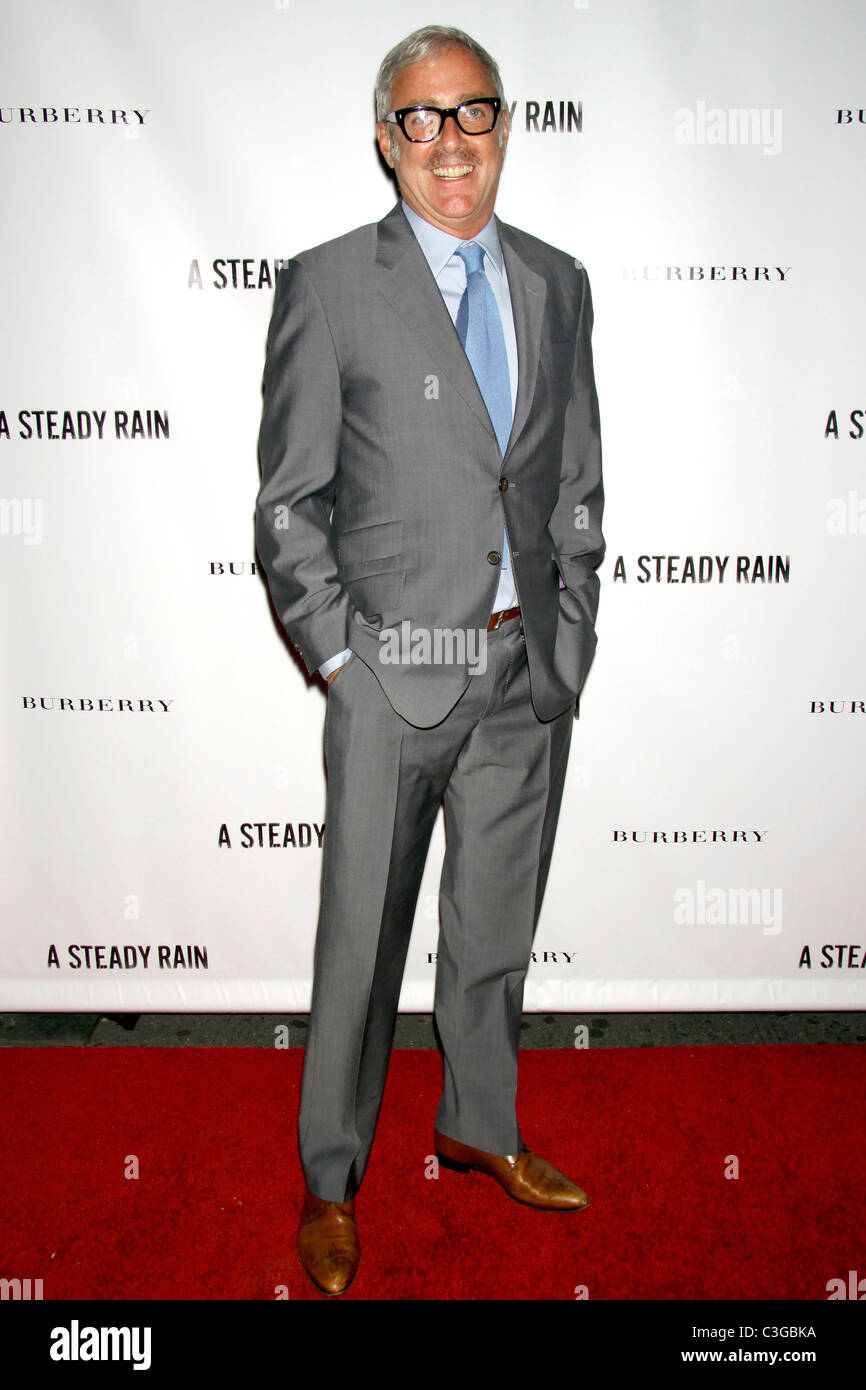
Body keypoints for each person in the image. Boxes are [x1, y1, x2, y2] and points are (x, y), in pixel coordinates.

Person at [256, 24, 604, 1296]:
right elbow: (289, 506)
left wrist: (567, 630)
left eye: (473, 112)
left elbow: (571, 480)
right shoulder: (330, 283)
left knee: (493, 929)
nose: (450, 141)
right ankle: (330, 1177)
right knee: (359, 939)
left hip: (523, 675)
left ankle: (478, 1121)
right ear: (385, 142)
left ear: (505, 126)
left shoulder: (559, 283)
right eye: (421, 118)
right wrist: (342, 659)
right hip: (391, 675)